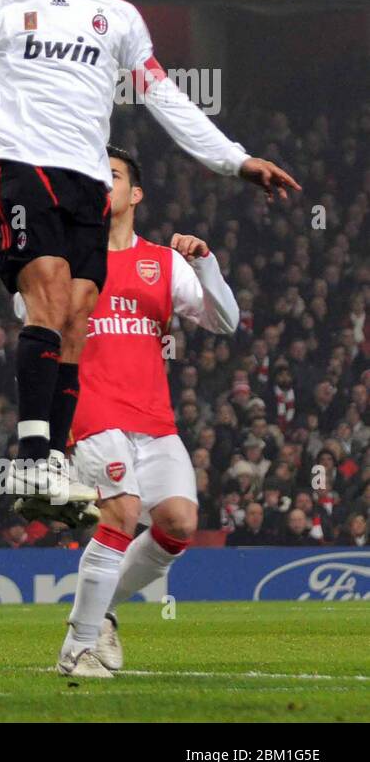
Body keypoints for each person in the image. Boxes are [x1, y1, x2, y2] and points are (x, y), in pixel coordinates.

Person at [0, 0, 300, 524]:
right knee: (50, 296)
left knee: (79, 318)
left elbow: (163, 95)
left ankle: (52, 461)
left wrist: (234, 159)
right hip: (18, 165)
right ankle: (32, 453)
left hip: (87, 180)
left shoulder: (115, 16)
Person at [33, 147, 241, 677]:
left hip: (153, 417)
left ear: (135, 194)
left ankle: (99, 613)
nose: (102, 182)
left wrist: (205, 264)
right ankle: (77, 648)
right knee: (122, 514)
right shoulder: (65, 261)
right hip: (91, 408)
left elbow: (225, 322)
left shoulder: (163, 262)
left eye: (115, 174)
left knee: (177, 524)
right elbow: (32, 322)